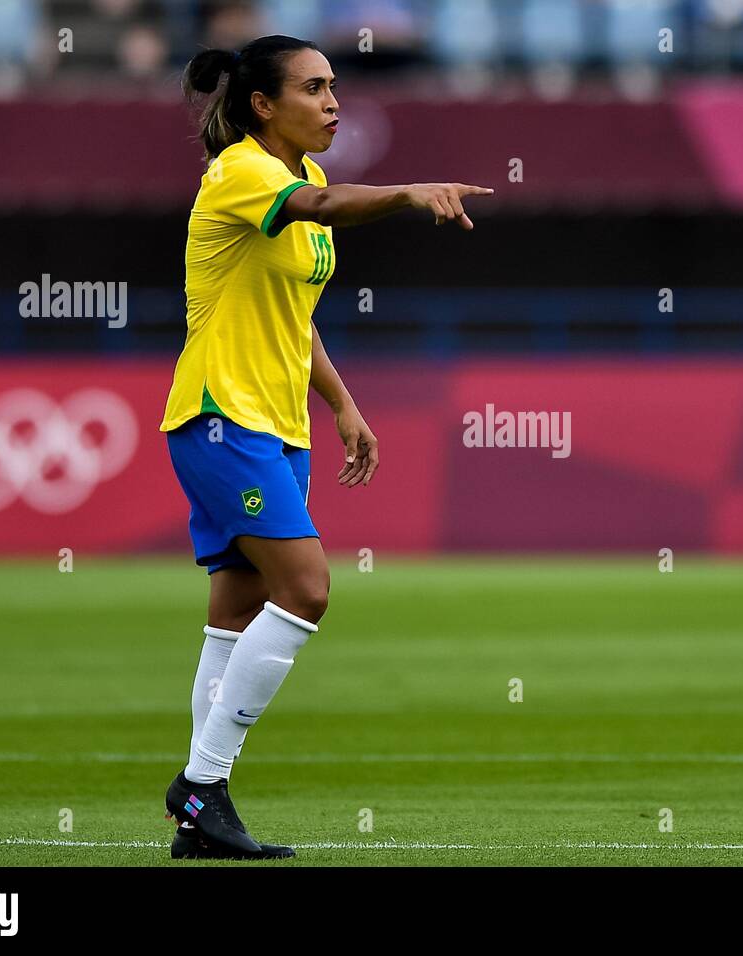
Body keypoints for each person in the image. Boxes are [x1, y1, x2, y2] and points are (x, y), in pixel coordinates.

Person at [158, 34, 493, 859]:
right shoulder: (242, 171)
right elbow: (323, 209)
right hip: (219, 418)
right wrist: (411, 192)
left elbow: (294, 318)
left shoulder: (298, 176)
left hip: (277, 425)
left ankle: (202, 816)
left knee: (235, 616)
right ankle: (199, 787)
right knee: (306, 590)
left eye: (336, 86)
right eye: (314, 88)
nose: (334, 102)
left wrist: (344, 406)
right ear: (263, 105)